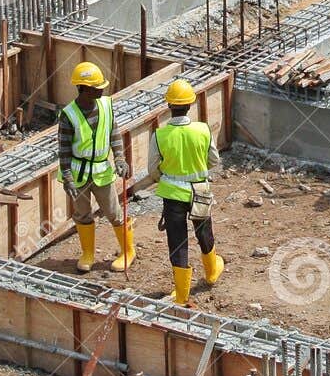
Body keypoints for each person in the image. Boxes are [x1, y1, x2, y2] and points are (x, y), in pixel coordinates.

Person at [145, 79, 224, 306]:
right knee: (204, 230)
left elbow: (152, 169)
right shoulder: (203, 130)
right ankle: (211, 272)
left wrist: (167, 179)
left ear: (169, 106)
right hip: (199, 191)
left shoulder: (159, 136)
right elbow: (213, 160)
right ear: (191, 104)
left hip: (173, 197)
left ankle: (181, 295)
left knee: (177, 241)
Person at [59, 61, 134, 273]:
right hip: (79, 173)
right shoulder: (69, 115)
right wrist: (68, 178)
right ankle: (88, 254)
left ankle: (128, 251)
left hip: (101, 171)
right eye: (97, 86)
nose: (102, 89)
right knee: (82, 214)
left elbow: (114, 133)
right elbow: (63, 150)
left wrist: (119, 157)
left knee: (114, 212)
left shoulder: (105, 106)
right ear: (84, 88)